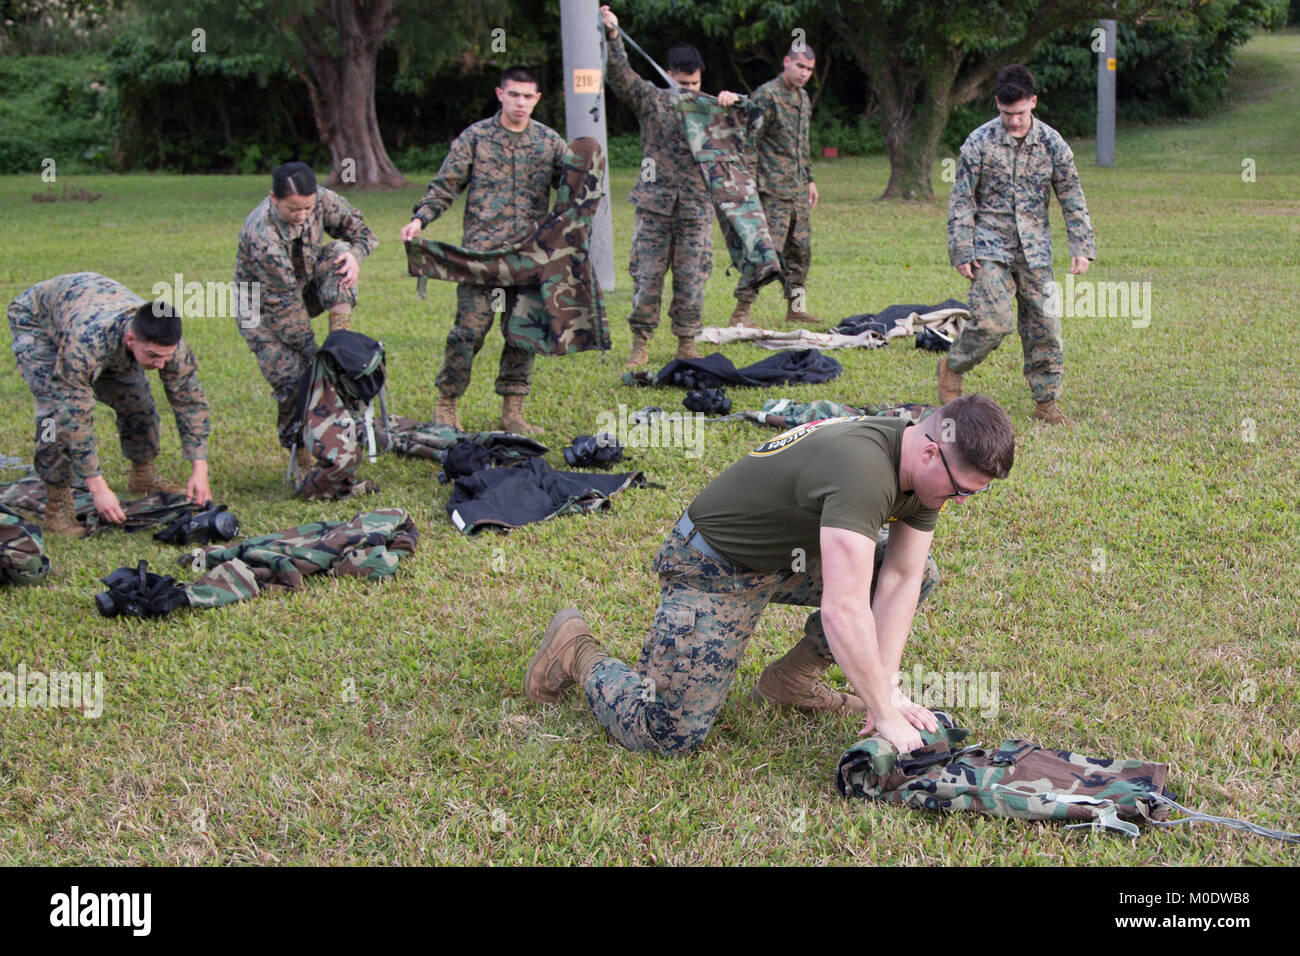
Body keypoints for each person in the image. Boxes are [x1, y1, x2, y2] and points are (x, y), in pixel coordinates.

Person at [526, 394, 1015, 757]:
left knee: (920, 571)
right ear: (931, 452)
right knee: (664, 735)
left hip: (788, 558)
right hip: (713, 567)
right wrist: (886, 716)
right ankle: (577, 652)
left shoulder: (922, 472)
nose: (960, 502)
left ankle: (790, 682)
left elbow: (903, 575)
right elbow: (843, 609)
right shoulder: (864, 472)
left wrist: (885, 689)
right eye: (961, 491)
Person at [399, 66, 566, 435]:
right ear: (500, 94)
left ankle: (513, 410)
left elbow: (572, 190)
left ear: (537, 99)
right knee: (468, 333)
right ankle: (447, 403)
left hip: (527, 259)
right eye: (514, 95)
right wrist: (421, 219)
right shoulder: (475, 138)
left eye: (528, 96)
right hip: (483, 261)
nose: (520, 103)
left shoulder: (550, 142)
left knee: (523, 333)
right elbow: (446, 185)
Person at [943, 64, 1096, 426]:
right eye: (1006, 113)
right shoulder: (978, 143)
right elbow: (961, 201)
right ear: (997, 103)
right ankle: (952, 367)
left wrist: (1081, 245)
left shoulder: (1052, 144)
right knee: (993, 324)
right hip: (988, 248)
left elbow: (1071, 194)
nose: (1013, 121)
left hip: (1035, 249)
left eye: (1020, 113)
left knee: (1045, 326)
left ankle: (1046, 401)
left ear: (1034, 102)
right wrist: (962, 250)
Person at [7, 273, 212, 537]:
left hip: (94, 311)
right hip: (37, 319)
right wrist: (98, 488)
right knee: (54, 415)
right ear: (130, 340)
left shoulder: (168, 345)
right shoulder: (85, 344)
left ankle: (143, 475)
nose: (159, 365)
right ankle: (58, 506)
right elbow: (74, 416)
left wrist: (200, 469)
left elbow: (190, 401)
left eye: (166, 357)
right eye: (152, 356)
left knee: (140, 404)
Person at [600, 6, 742, 367]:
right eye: (683, 84)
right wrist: (614, 36)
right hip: (654, 207)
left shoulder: (712, 109)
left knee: (692, 280)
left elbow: (749, 131)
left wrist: (733, 104)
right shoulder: (652, 101)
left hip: (695, 209)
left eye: (694, 85)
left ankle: (686, 342)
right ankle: (640, 342)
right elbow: (619, 74)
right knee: (647, 280)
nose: (689, 91)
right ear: (669, 76)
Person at [235, 161, 378, 470]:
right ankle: (298, 449)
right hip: (262, 309)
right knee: (295, 381)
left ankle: (341, 338)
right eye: (292, 209)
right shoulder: (262, 237)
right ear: (274, 198)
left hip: (304, 285)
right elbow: (287, 312)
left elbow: (363, 234)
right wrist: (321, 363)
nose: (301, 215)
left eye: (307, 208)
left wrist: (355, 257)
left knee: (339, 250)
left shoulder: (323, 199)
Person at [730, 44, 820, 328]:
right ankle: (741, 313)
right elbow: (749, 144)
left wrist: (810, 179)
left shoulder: (804, 99)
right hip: (771, 191)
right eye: (800, 66)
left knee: (801, 251)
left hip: (796, 191)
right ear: (786, 62)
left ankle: (795, 308)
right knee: (765, 253)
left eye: (809, 69)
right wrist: (750, 186)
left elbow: (802, 145)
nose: (804, 74)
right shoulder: (766, 96)